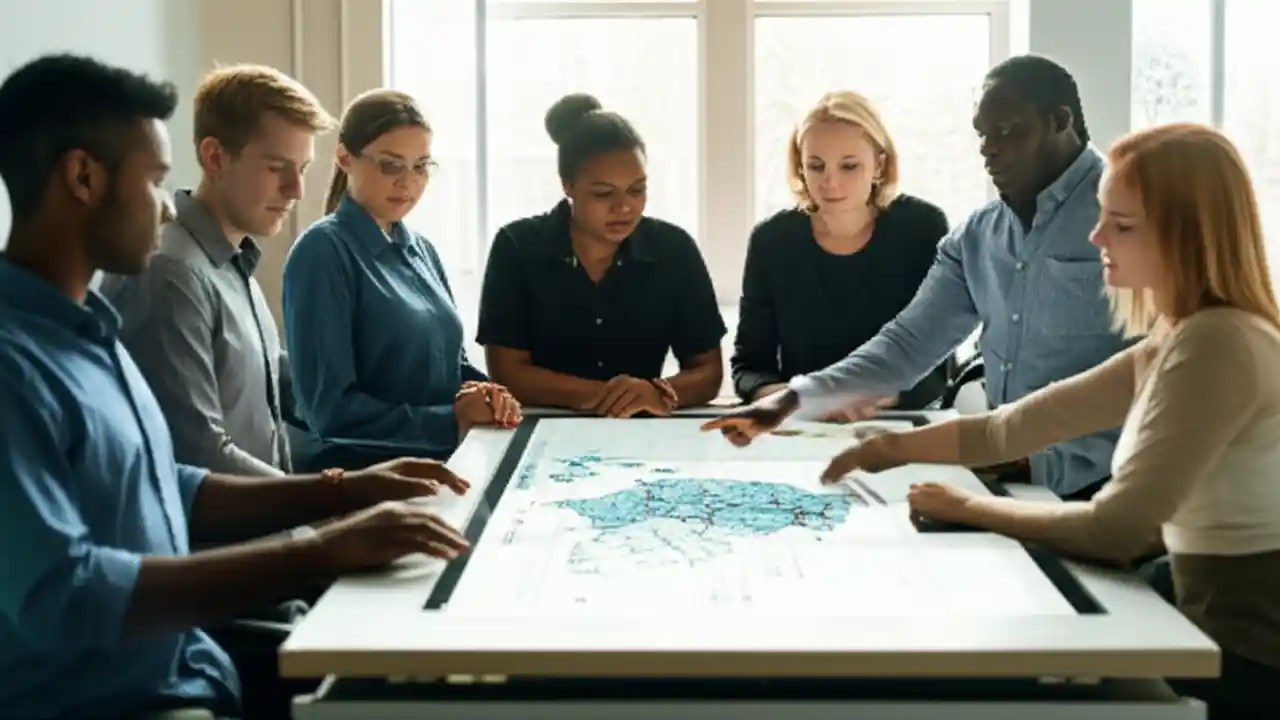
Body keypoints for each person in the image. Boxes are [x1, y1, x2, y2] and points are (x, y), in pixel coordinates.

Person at [0, 54, 472, 720]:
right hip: (128, 699)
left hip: (190, 663)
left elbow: (174, 481)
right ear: (82, 177)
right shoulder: (20, 361)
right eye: (156, 181)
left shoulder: (92, 328)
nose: (168, 205)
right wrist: (322, 545)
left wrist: (347, 488)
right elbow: (65, 596)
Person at [822, 123, 1280, 720]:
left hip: (1247, 663)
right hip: (1205, 621)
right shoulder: (1178, 339)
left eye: (1121, 224)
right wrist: (888, 449)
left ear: (1183, 235)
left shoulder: (1218, 345)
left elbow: (1117, 528)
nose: (1096, 237)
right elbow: (1009, 427)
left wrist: (970, 510)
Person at [706, 55, 1128, 501]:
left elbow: (1173, 361)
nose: (988, 148)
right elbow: (907, 346)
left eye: (1007, 131)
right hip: (1020, 484)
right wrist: (790, 401)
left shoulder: (1137, 210)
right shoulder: (978, 236)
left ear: (1060, 121)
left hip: (1121, 487)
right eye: (982, 134)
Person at [101, 64, 334, 477]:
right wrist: (324, 506)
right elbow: (198, 455)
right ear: (215, 157)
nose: (296, 190)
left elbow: (273, 385)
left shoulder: (233, 257)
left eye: (302, 169)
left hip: (269, 526)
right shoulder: (172, 274)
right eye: (276, 167)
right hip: (219, 541)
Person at [283, 89, 520, 471]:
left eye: (421, 166)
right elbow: (328, 411)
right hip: (366, 480)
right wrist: (452, 420)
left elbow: (448, 364)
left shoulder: (420, 249)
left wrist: (488, 394)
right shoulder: (322, 252)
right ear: (345, 158)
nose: (408, 183)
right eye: (392, 166)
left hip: (442, 466)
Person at [478, 93, 726, 416]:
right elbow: (507, 372)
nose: (624, 207)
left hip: (642, 428)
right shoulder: (517, 246)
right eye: (603, 193)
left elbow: (708, 371)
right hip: (543, 425)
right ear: (568, 185)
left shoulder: (673, 249)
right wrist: (610, 396)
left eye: (637, 190)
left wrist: (657, 392)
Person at [732, 90, 950, 416]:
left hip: (895, 422)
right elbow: (750, 368)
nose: (830, 183)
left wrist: (863, 400)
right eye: (816, 166)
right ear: (800, 167)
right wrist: (796, 401)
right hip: (802, 425)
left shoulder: (922, 228)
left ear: (879, 164)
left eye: (849, 166)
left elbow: (936, 370)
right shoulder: (772, 240)